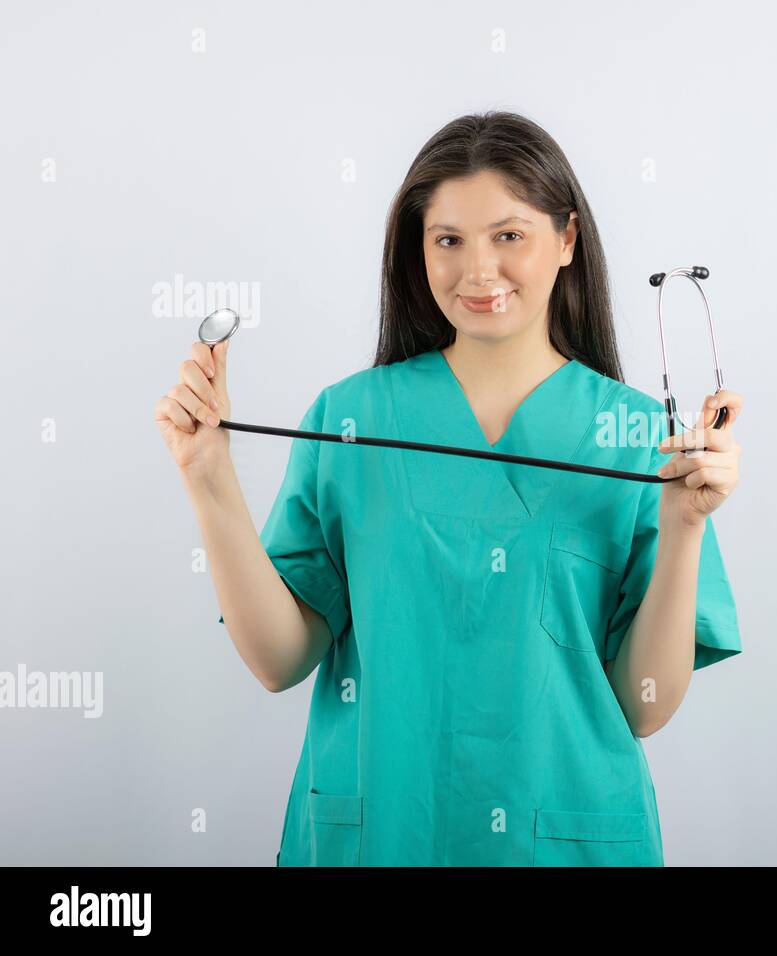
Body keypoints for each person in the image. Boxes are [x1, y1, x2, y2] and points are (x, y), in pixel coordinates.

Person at [154, 110, 744, 866]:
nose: (478, 272)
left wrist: (686, 525)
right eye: (448, 241)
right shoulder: (350, 420)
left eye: (509, 236)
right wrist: (209, 479)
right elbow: (277, 659)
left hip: (563, 841)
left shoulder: (638, 439)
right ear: (418, 251)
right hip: (384, 833)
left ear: (566, 240)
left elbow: (644, 704)